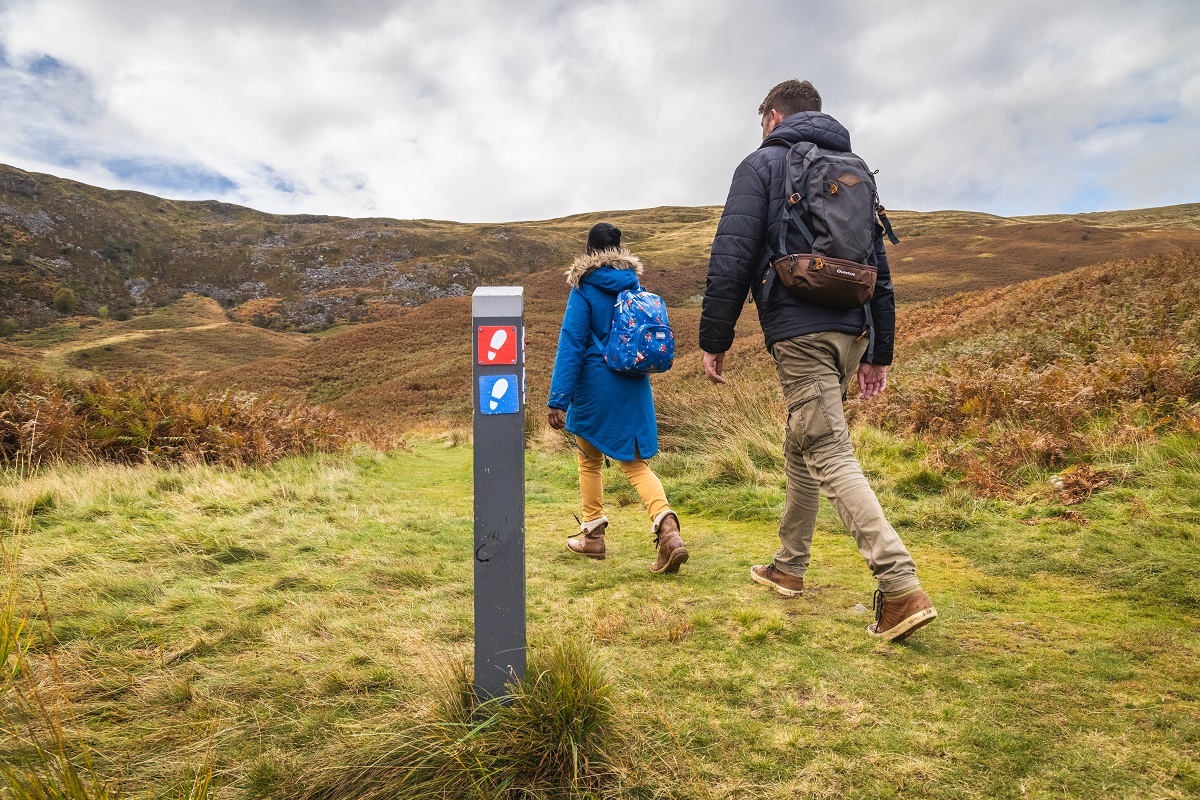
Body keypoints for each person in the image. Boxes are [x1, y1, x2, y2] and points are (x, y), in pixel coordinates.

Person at [699, 79, 936, 641]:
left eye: (762, 123)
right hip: (851, 329)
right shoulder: (854, 169)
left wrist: (716, 336)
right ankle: (789, 564)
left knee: (826, 446)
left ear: (774, 117)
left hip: (800, 329)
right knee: (801, 438)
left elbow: (731, 255)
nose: (761, 132)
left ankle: (900, 585)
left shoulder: (762, 166)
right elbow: (879, 264)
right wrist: (879, 351)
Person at [547, 222, 688, 574]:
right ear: (619, 249)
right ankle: (663, 528)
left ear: (590, 250)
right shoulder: (634, 285)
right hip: (633, 383)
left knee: (590, 461)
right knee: (633, 462)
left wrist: (558, 399)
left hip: (595, 387)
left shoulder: (583, 288)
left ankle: (598, 534)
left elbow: (571, 345)